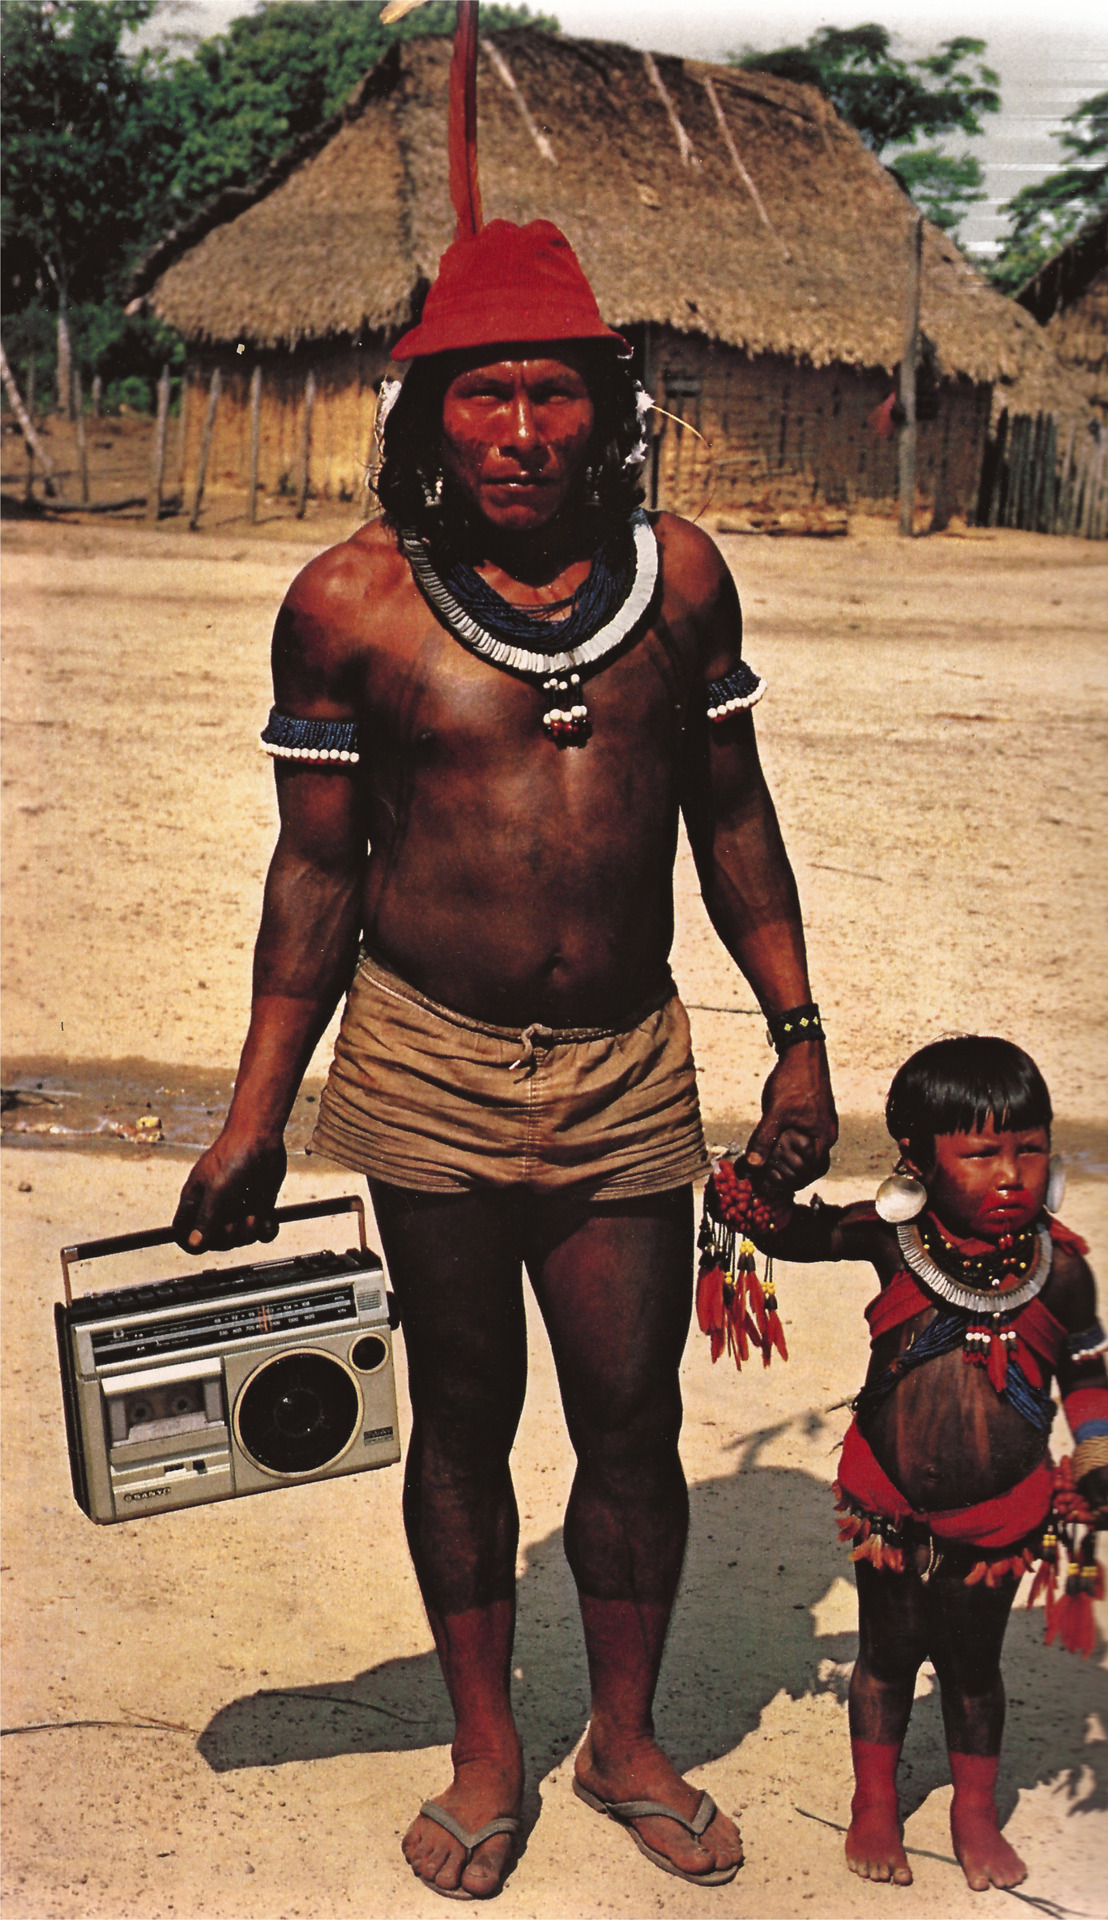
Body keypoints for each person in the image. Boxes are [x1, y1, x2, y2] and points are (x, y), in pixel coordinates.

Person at [173, 218, 836, 1900]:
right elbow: (315, 873)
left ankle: (621, 1741)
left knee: (630, 1417)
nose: (524, 431)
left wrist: (801, 1040)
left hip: (624, 1066)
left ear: (608, 407)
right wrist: (256, 1116)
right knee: (465, 1417)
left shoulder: (675, 578)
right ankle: (487, 1754)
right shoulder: (348, 603)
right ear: (425, 417)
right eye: (487, 396)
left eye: (554, 391)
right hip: (425, 1057)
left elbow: (734, 818)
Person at [711, 1035, 1108, 1893]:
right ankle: (875, 1801)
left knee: (974, 1667)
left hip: (1001, 1513)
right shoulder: (887, 1239)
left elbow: (1084, 1367)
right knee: (887, 1652)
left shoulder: (1062, 1272)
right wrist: (761, 1176)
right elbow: (789, 1233)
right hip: (888, 1503)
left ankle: (971, 1811)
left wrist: (1097, 1451)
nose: (1011, 1174)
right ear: (916, 1159)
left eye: (1029, 1148)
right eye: (981, 1154)